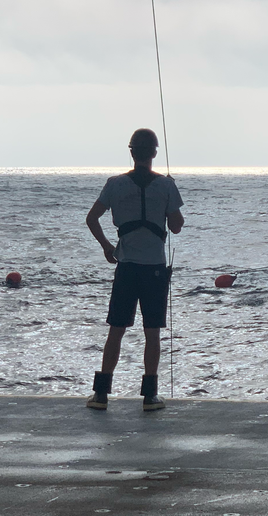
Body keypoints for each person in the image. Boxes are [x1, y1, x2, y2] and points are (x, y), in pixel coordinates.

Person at [84, 128, 184, 411]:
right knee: (152, 332)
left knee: (116, 330)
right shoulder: (165, 185)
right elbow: (176, 226)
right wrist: (170, 196)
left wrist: (107, 246)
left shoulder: (114, 184)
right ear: (154, 153)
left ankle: (101, 394)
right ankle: (150, 396)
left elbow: (92, 219)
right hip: (154, 269)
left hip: (126, 267)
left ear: (131, 152)